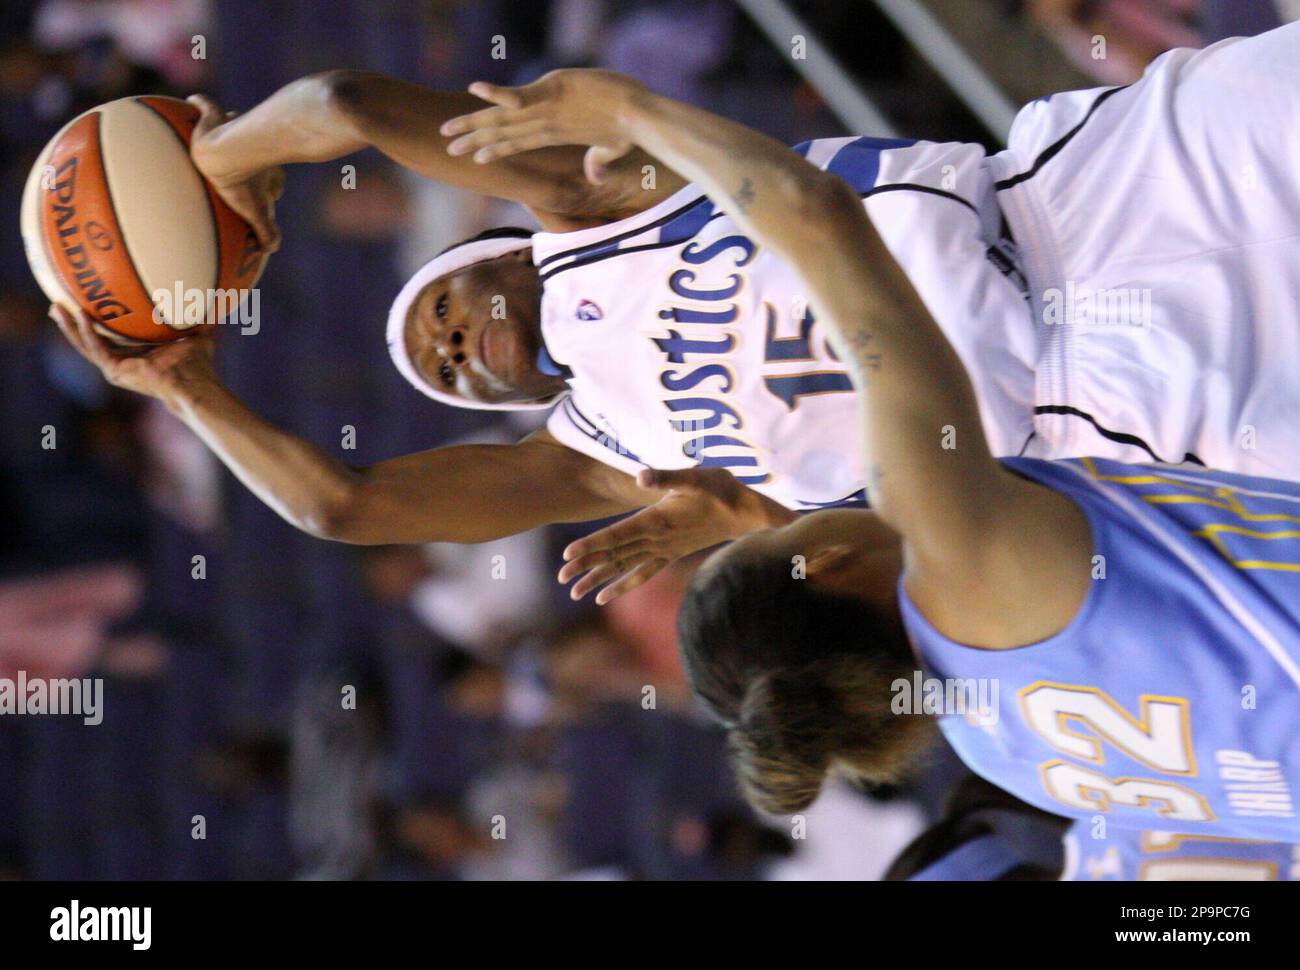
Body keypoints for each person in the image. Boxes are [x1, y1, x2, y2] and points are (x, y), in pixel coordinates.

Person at [52, 23, 1300, 606]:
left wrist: (226, 172)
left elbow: (345, 96)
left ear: (500, 254)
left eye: (440, 308)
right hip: (1135, 395)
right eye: (447, 371)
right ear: (510, 410)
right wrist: (179, 387)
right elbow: (345, 507)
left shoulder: (591, 202)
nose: (442, 342)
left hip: (1105, 187)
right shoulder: (601, 453)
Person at [415, 53, 1300, 842]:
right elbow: (817, 217)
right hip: (1137, 221)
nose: (798, 510)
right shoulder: (955, 536)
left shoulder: (1011, 761)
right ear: (827, 561)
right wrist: (634, 113)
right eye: (779, 530)